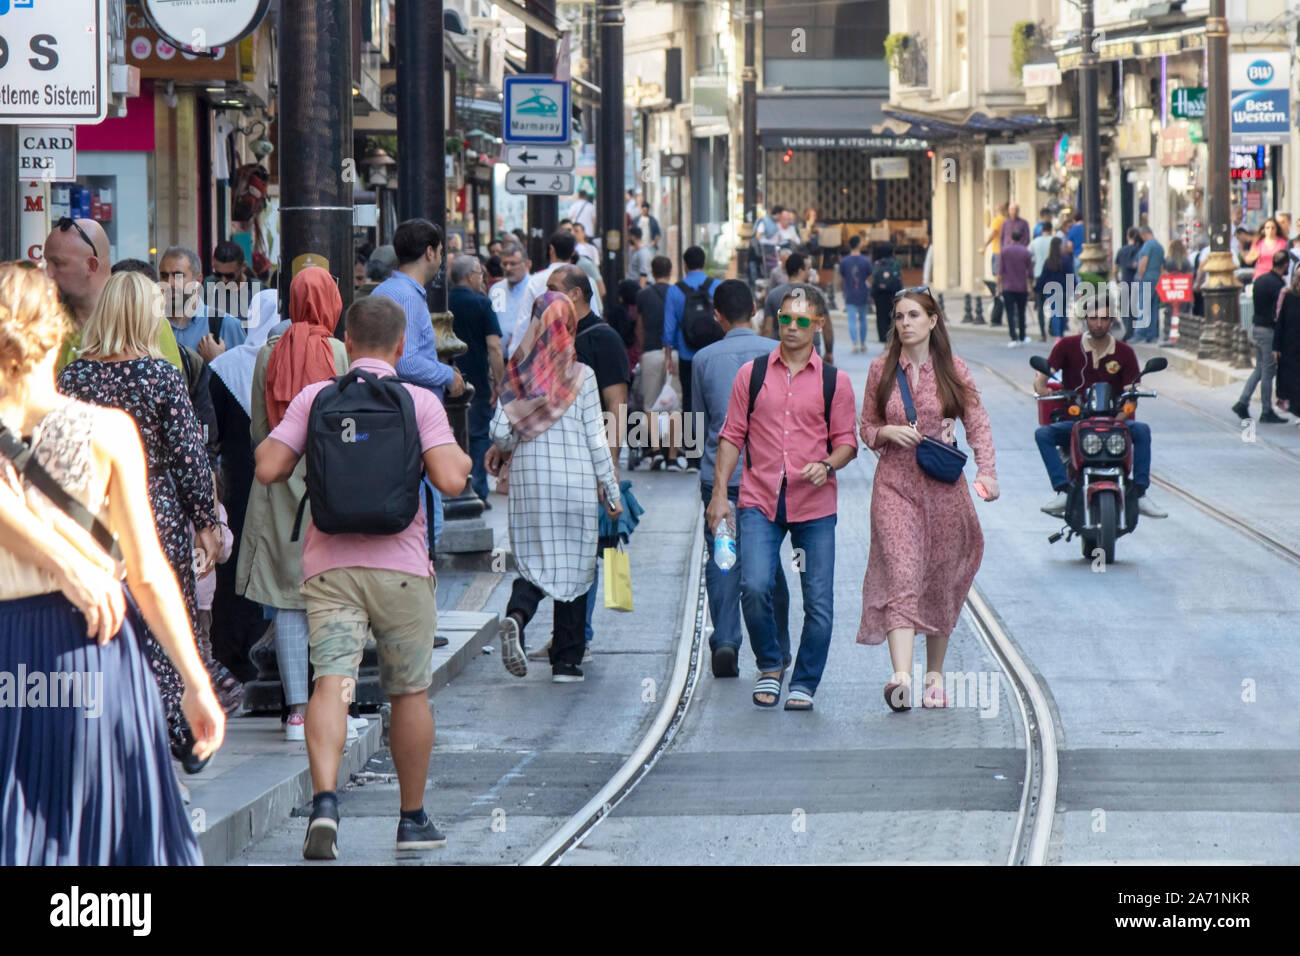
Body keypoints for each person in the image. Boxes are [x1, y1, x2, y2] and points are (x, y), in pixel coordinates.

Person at [0, 262, 224, 865]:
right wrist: (196, 684)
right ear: (58, 332)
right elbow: (148, 573)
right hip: (92, 643)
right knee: (106, 833)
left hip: (7, 642)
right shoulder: (107, 431)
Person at [253, 294, 471, 860]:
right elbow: (450, 480)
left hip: (331, 569)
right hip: (401, 569)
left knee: (331, 683)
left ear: (346, 344)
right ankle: (412, 819)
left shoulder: (316, 397)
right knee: (409, 693)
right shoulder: (420, 401)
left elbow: (268, 467)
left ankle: (325, 803)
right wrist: (459, 457)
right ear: (400, 347)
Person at [56, 271, 225, 764]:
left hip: (90, 516)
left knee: (104, 620)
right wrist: (207, 523)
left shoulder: (73, 376)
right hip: (156, 511)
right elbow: (190, 458)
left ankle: (109, 726)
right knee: (166, 616)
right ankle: (175, 724)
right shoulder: (159, 375)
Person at [708, 283, 857, 711]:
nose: (791, 327)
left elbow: (847, 441)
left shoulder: (835, 381)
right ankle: (770, 664)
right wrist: (720, 495)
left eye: (801, 320)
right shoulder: (751, 375)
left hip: (814, 505)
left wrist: (828, 464)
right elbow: (732, 436)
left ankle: (805, 681)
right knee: (754, 586)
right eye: (785, 319)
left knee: (819, 601)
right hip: (759, 500)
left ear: (818, 325)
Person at [856, 288, 999, 711]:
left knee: (940, 580)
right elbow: (866, 426)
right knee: (901, 573)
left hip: (943, 488)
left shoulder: (954, 370)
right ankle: (901, 676)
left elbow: (978, 422)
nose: (906, 323)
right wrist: (884, 433)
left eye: (914, 315)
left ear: (933, 321)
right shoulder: (880, 370)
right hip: (895, 485)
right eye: (899, 316)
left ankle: (933, 677)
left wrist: (987, 471)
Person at [485, 292, 622, 683]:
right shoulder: (583, 376)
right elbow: (598, 439)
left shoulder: (519, 374)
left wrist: (510, 443)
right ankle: (567, 661)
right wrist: (611, 492)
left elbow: (498, 432)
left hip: (531, 486)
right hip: (577, 484)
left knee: (535, 559)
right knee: (578, 564)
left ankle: (517, 616)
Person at [238, 267, 351, 741]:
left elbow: (259, 427)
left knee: (287, 599)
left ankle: (296, 713)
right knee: (333, 597)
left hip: (279, 480)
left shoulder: (267, 352)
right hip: (328, 483)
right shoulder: (339, 351)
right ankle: (336, 710)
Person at [691, 280, 791, 678]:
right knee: (769, 564)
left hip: (722, 476)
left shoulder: (702, 359)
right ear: (754, 308)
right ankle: (779, 645)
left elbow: (697, 425)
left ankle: (727, 639)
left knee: (723, 557)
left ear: (717, 315)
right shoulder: (778, 353)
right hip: (769, 478)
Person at [1033, 306, 1168, 518]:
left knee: (1142, 430)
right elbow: (1043, 376)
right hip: (1077, 423)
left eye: (1104, 318)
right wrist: (1041, 386)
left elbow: (1131, 398)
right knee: (1043, 434)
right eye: (1094, 318)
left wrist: (1119, 418)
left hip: (1115, 425)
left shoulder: (1125, 352)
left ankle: (1140, 493)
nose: (1098, 323)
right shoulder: (1067, 346)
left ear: (1112, 320)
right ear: (1085, 319)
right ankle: (1063, 490)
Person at [207, 289, 280, 679]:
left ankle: (235, 659)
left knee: (236, 563)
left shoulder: (225, 366)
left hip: (238, 480)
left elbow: (210, 429)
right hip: (283, 480)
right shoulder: (291, 362)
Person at [44, 217, 182, 372]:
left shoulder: (144, 318)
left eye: (58, 263)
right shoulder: (44, 321)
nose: (48, 273)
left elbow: (171, 387)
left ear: (91, 265)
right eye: (46, 263)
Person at [373, 220, 464, 402]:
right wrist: (448, 374)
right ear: (429, 253)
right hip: (411, 407)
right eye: (440, 252)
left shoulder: (382, 290)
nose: (440, 259)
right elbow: (407, 362)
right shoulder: (408, 297)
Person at [449, 254, 505, 502]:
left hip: (448, 378)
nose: (482, 279)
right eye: (480, 274)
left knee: (452, 432)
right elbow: (494, 346)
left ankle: (453, 485)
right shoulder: (482, 303)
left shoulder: (443, 302)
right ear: (471, 276)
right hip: (478, 380)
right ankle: (478, 488)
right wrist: (500, 382)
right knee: (480, 433)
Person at [507, 230, 603, 356]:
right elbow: (593, 315)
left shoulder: (536, 280)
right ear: (573, 252)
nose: (549, 295)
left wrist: (515, 358)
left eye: (552, 289)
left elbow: (524, 325)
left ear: (551, 249)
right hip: (581, 352)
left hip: (544, 356)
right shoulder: (587, 280)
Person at [663, 246, 721, 426]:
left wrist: (668, 357)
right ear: (704, 262)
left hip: (687, 354)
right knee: (713, 394)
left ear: (684, 264)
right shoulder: (716, 286)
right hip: (714, 351)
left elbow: (669, 327)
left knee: (688, 398)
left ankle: (692, 446)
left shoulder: (675, 291)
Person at [1232, 248, 1290, 424]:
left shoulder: (1260, 280)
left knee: (1259, 368)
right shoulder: (1278, 285)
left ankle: (1243, 401)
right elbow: (1277, 312)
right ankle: (1266, 410)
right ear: (1286, 265)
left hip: (1256, 327)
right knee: (1267, 371)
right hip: (1268, 331)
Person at [160, 246, 247, 362]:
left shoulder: (226, 325)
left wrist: (218, 361)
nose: (169, 283)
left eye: (178, 276)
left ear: (198, 280)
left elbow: (244, 376)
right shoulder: (150, 326)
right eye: (164, 276)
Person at [635, 255, 677, 461]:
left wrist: (643, 349)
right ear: (671, 271)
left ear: (652, 272)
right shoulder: (677, 293)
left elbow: (640, 326)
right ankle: (672, 454)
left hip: (651, 351)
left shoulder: (643, 295)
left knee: (650, 404)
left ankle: (655, 450)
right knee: (675, 405)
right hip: (675, 353)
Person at [489, 239, 532, 349]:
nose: (508, 268)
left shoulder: (535, 288)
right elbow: (495, 321)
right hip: (501, 357)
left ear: (526, 264)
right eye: (505, 264)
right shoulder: (497, 289)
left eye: (513, 264)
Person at [764, 251, 811, 339]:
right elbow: (827, 327)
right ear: (801, 271)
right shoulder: (817, 294)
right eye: (808, 269)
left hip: (780, 346)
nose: (810, 272)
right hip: (810, 349)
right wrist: (828, 351)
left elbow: (767, 329)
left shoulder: (772, 295)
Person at [1273, 264, 1300, 413]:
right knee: (1293, 379)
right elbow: (1280, 323)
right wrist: (1276, 347)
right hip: (1290, 346)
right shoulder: (1289, 297)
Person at [839, 235, 872, 354]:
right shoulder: (866, 261)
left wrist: (843, 292)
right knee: (863, 318)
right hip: (862, 292)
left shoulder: (844, 261)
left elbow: (842, 278)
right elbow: (869, 277)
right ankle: (863, 343)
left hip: (849, 292)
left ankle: (855, 343)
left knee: (851, 319)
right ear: (858, 244)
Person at [999, 229, 1033, 346]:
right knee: (1021, 312)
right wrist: (1030, 286)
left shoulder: (1004, 251)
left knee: (1010, 312)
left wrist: (998, 286)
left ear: (1011, 238)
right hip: (1021, 287)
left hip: (1007, 286)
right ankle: (1023, 336)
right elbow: (1030, 272)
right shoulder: (1026, 252)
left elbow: (1000, 271)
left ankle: (1013, 337)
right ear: (1021, 239)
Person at [1132, 226, 1165, 344]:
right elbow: (1162, 266)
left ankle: (1140, 333)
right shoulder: (1160, 246)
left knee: (1143, 306)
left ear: (1143, 235)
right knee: (1153, 307)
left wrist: (1140, 275)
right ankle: (1152, 334)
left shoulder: (1147, 245)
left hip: (1146, 278)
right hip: (1156, 279)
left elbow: (1144, 261)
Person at [1036, 237, 1071, 340]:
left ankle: (1057, 335)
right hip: (1064, 289)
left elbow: (1043, 276)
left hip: (1051, 290)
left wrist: (1037, 288)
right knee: (1063, 312)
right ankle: (1061, 333)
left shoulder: (1049, 261)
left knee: (1055, 312)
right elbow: (1070, 275)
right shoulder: (1066, 260)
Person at [870, 242, 904, 344]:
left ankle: (882, 336)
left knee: (880, 314)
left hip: (880, 293)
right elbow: (898, 279)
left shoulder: (877, 263)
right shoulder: (895, 263)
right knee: (893, 314)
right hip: (893, 292)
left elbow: (874, 279)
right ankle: (892, 335)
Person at [1161, 239, 1193, 345]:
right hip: (1183, 290)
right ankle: (1183, 335)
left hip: (1170, 290)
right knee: (1183, 313)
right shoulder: (1185, 260)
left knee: (1170, 312)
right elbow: (1190, 274)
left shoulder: (1167, 260)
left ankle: (1170, 335)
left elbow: (1163, 274)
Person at [980, 202, 1008, 275]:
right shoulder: (1007, 221)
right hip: (1006, 250)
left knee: (997, 273)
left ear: (997, 211)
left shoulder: (997, 220)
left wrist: (985, 246)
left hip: (997, 250)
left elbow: (993, 234)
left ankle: (998, 286)